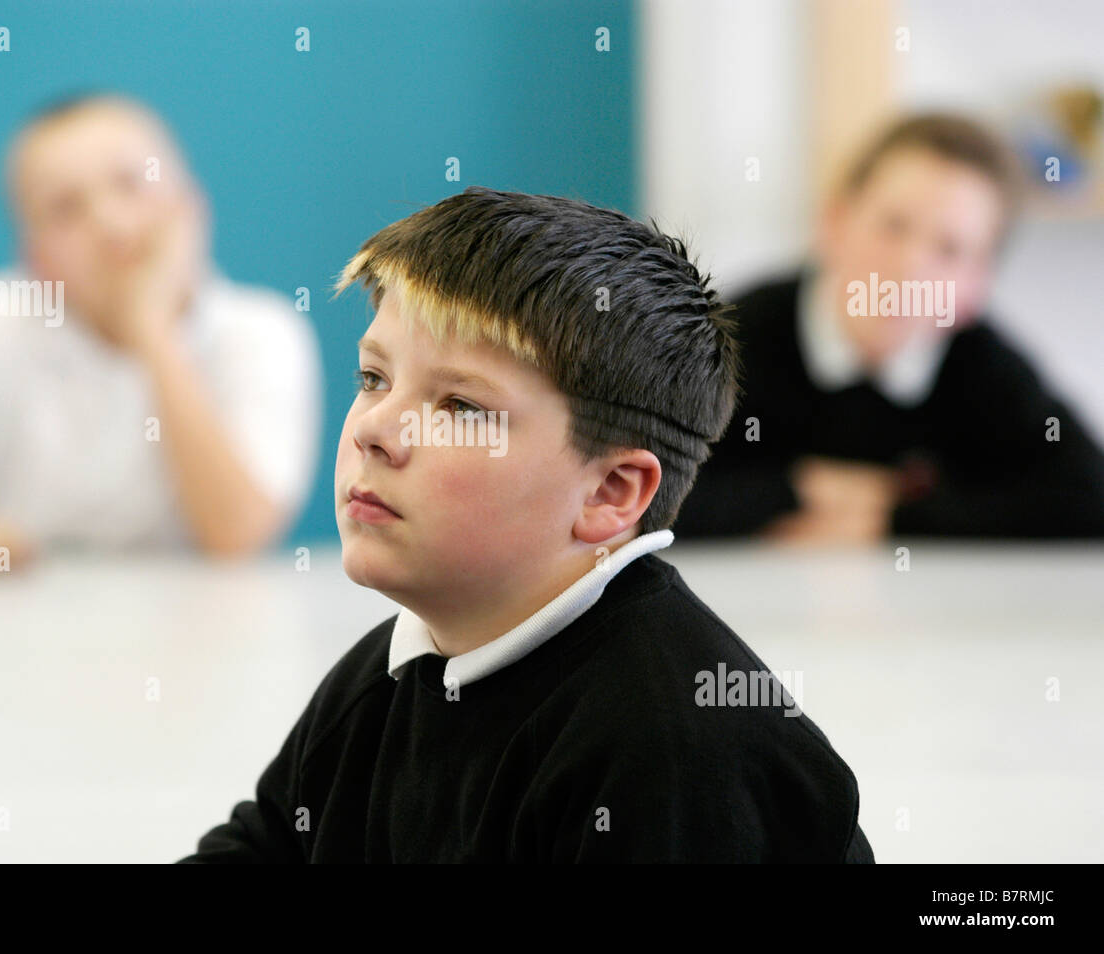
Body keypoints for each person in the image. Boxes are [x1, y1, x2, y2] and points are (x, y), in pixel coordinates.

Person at [179, 187, 873, 862]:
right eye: (374, 379)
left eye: (459, 405)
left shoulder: (673, 750)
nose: (377, 431)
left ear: (610, 491)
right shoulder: (381, 683)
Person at [0, 94, 321, 567]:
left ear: (190, 206)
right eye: (65, 207)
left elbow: (236, 535)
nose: (108, 221)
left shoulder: (262, 333)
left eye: (130, 183)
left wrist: (149, 328)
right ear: (35, 258)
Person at [674, 113, 1104, 541]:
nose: (910, 268)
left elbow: (1088, 495)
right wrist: (798, 491)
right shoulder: (730, 339)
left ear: (979, 287)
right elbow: (631, 492)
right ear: (835, 222)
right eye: (893, 226)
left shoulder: (983, 364)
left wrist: (896, 515)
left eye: (950, 249)